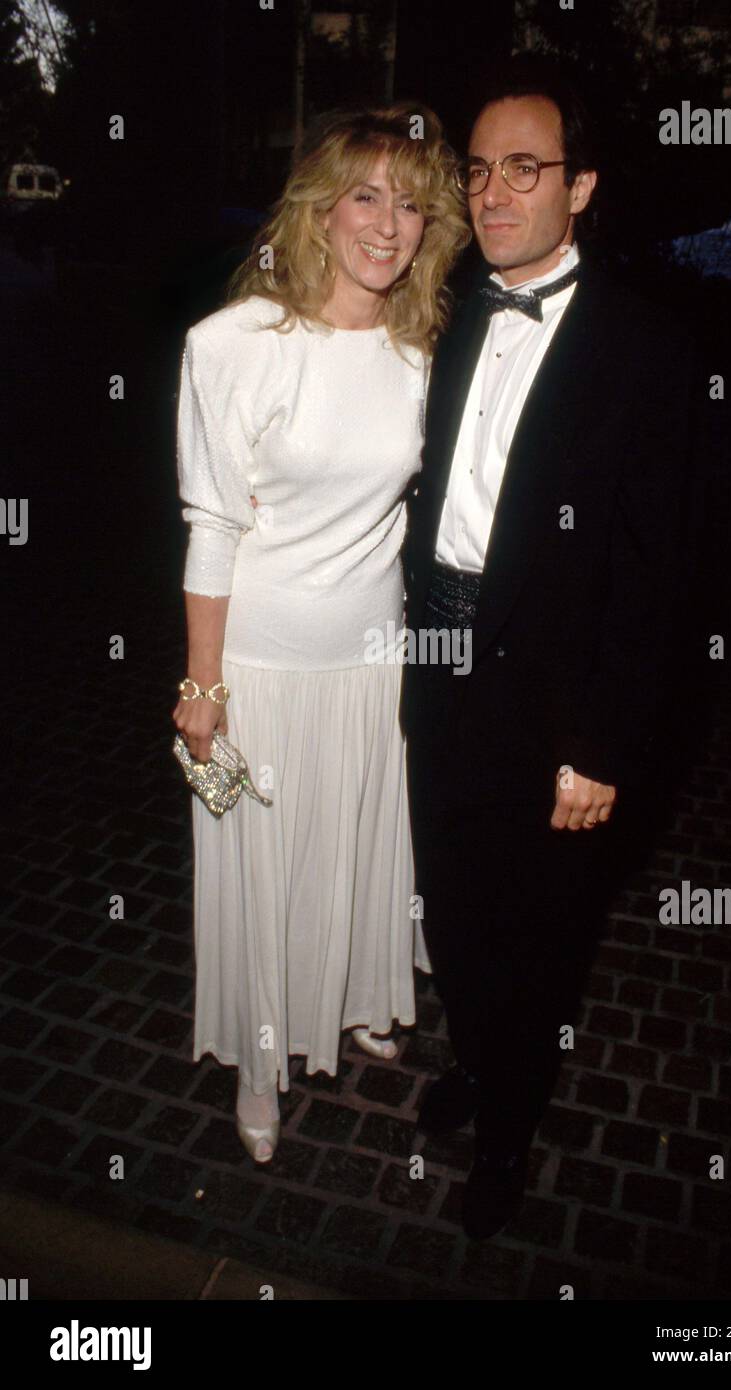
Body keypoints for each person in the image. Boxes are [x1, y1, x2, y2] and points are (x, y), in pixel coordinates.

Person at [400, 66, 698, 1238]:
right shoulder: (451, 307)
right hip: (438, 661)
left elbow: (659, 573)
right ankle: (478, 1061)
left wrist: (600, 742)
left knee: (538, 931)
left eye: (523, 167)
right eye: (477, 167)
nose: (490, 191)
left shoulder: (647, 346)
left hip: (554, 703)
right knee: (457, 906)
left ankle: (511, 1130)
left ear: (579, 186)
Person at [173, 104, 469, 1162]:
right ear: (319, 207)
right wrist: (203, 685)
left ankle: (359, 998)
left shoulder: (423, 347)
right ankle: (259, 1069)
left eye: (411, 202)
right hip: (264, 662)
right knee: (264, 875)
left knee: (360, 849)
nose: (389, 224)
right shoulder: (233, 344)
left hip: (376, 658)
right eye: (366, 195)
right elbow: (212, 524)